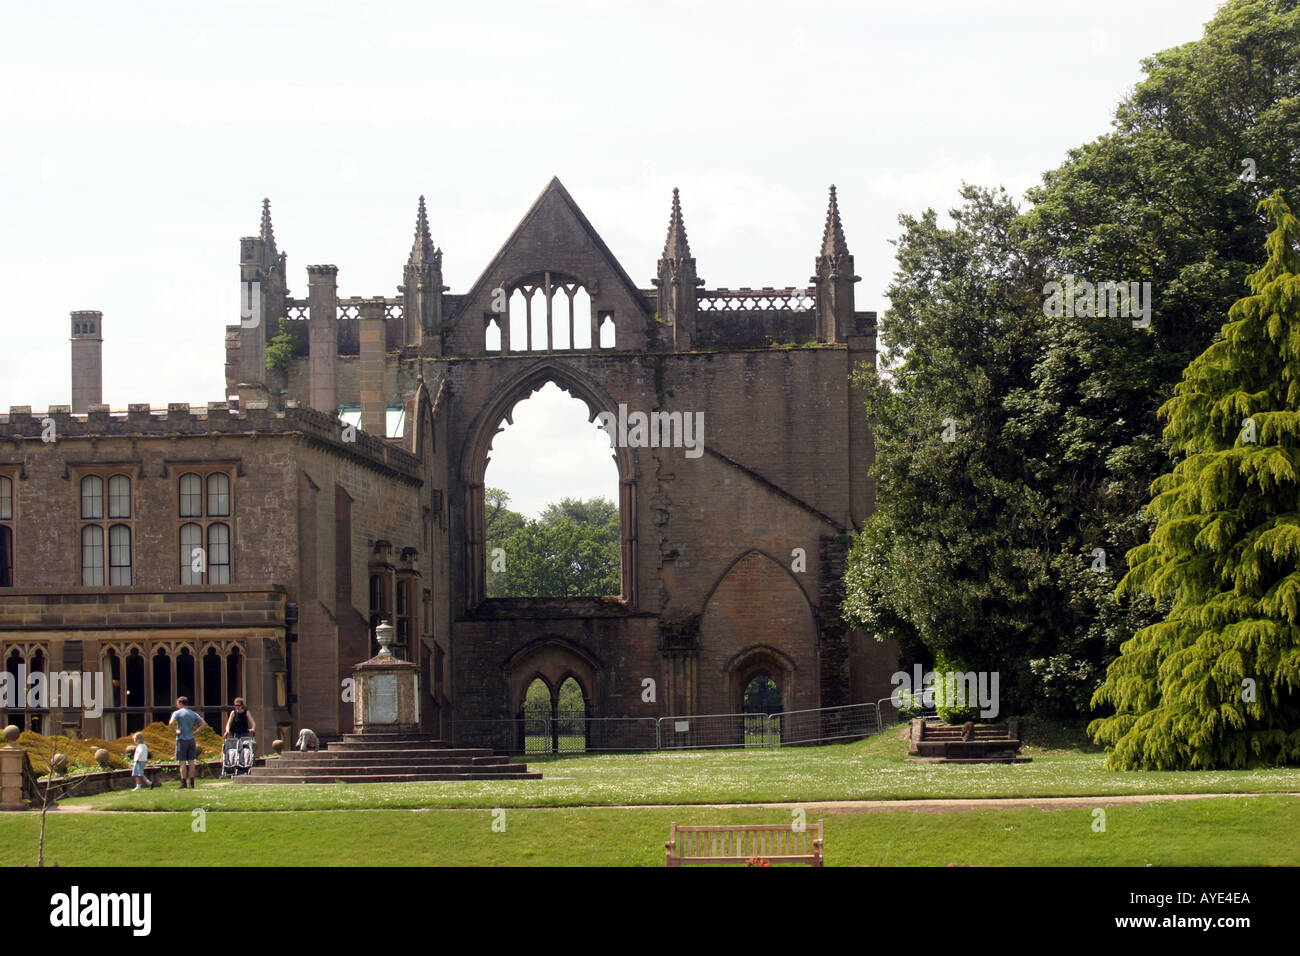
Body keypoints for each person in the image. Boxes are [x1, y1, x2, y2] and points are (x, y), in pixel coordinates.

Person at [168, 696, 207, 789]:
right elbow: (203, 724)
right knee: (191, 762)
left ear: (181, 703)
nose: (177, 705)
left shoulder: (177, 713)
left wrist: (175, 731)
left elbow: (171, 723)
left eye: (177, 703)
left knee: (182, 762)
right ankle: (192, 783)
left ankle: (183, 783)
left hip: (181, 739)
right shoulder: (193, 713)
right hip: (191, 739)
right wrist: (196, 731)